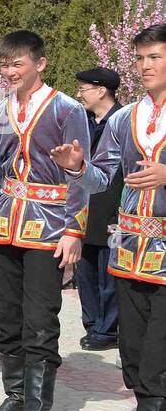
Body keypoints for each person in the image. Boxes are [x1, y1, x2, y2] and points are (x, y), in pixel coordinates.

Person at [54, 23, 166, 411]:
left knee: (158, 358)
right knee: (134, 356)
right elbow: (101, 179)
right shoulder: (124, 120)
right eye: (140, 59)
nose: (144, 67)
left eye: (155, 58)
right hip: (129, 252)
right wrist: (78, 166)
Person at [0, 30, 90, 411]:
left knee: (40, 320)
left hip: (50, 227)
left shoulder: (67, 109)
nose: (9, 71)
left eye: (17, 63)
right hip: (6, 224)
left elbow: (82, 172)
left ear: (39, 64)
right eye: (4, 64)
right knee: (5, 316)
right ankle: (16, 395)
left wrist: (74, 230)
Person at [73, 67, 124, 351]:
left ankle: (107, 329)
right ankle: (92, 324)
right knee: (85, 270)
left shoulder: (122, 121)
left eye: (85, 89)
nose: (80, 94)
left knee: (109, 271)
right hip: (85, 209)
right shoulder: (85, 122)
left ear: (102, 90)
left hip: (112, 208)